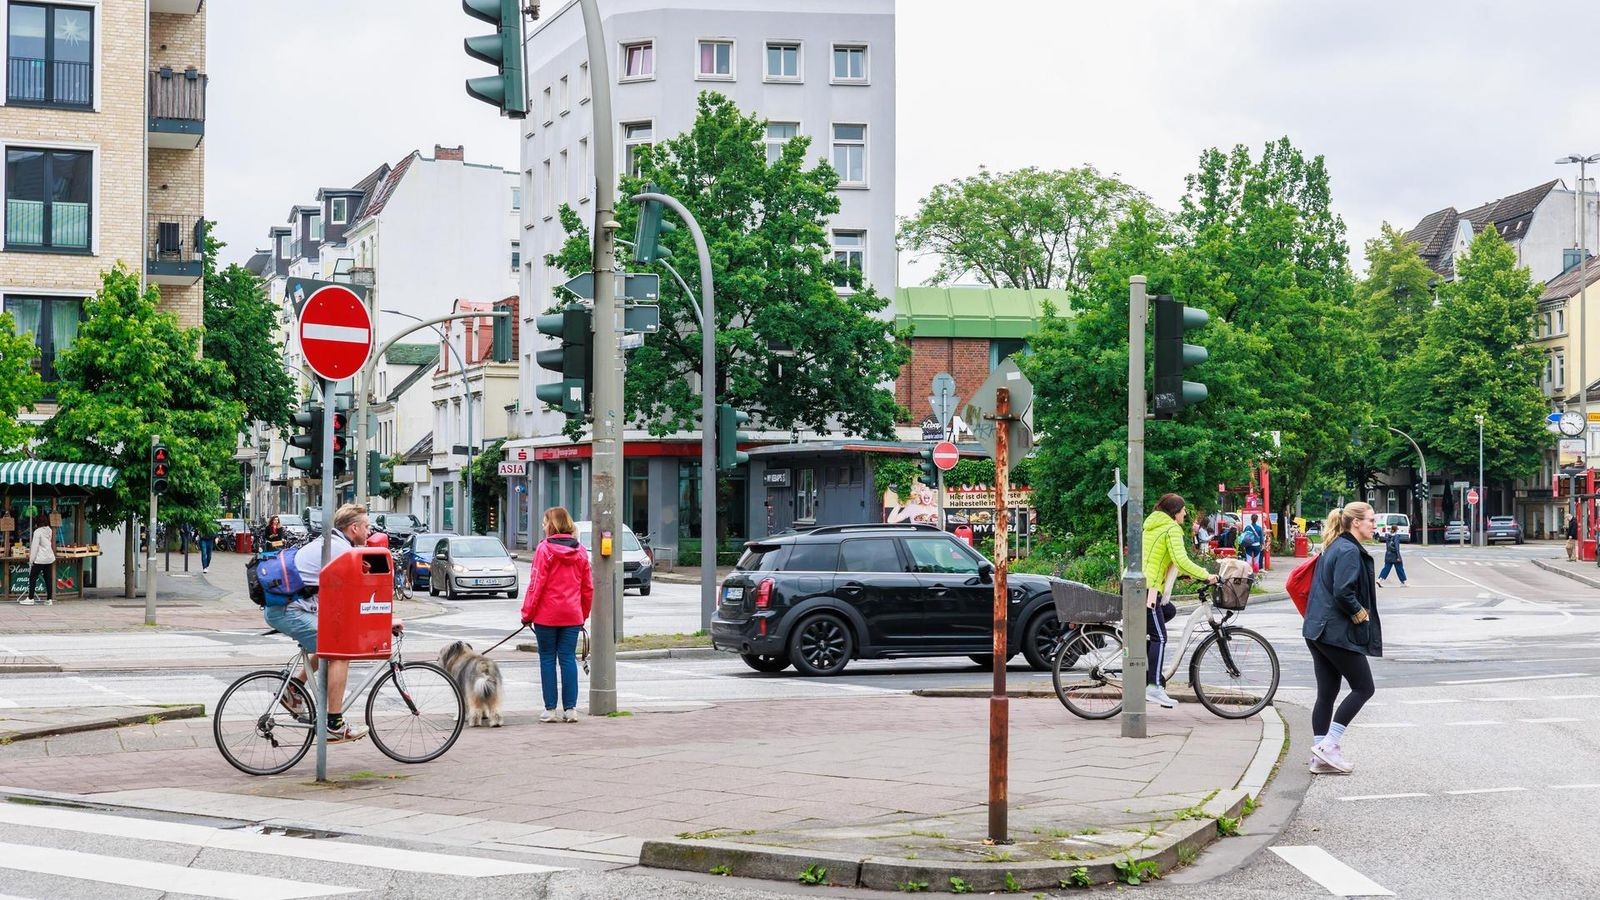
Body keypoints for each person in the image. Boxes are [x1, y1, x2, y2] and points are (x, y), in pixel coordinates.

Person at [262, 503, 372, 742]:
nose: (369, 531)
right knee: (339, 653)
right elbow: (361, 597)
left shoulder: (331, 543)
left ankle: (294, 687)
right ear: (354, 528)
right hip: (288, 611)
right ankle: (334, 724)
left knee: (332, 641)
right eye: (366, 526)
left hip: (287, 608)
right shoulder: (342, 551)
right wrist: (385, 619)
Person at [1303, 502, 1383, 775]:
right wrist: (1360, 613)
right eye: (1371, 520)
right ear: (1355, 522)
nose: (1374, 525)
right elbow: (1342, 591)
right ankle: (1329, 746)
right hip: (1335, 632)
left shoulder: (1334, 546)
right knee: (1364, 687)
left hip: (1316, 629)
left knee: (1327, 693)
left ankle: (1319, 756)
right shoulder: (1349, 550)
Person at [1141, 494, 1220, 709]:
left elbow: (1158, 559)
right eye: (1183, 510)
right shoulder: (1171, 529)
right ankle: (1154, 686)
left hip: (1136, 585)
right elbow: (1181, 560)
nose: (1185, 513)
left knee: (1169, 612)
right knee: (1159, 636)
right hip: (1147, 590)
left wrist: (1183, 575)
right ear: (1175, 512)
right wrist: (1206, 575)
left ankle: (1145, 664)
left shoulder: (1152, 525)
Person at [521, 506, 594, 723]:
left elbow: (536, 584)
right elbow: (587, 588)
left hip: (546, 615)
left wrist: (527, 614)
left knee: (547, 659)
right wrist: (583, 614)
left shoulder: (544, 550)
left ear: (552, 526)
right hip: (572, 615)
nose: (543, 527)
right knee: (568, 659)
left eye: (545, 523)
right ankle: (570, 710)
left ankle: (550, 709)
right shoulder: (581, 551)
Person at [20, 517, 55, 606]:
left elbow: (34, 547)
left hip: (40, 558)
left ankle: (30, 598)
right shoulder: (49, 530)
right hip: (49, 557)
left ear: (38, 523)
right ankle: (49, 599)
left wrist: (31, 560)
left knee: (33, 577)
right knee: (48, 579)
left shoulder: (37, 532)